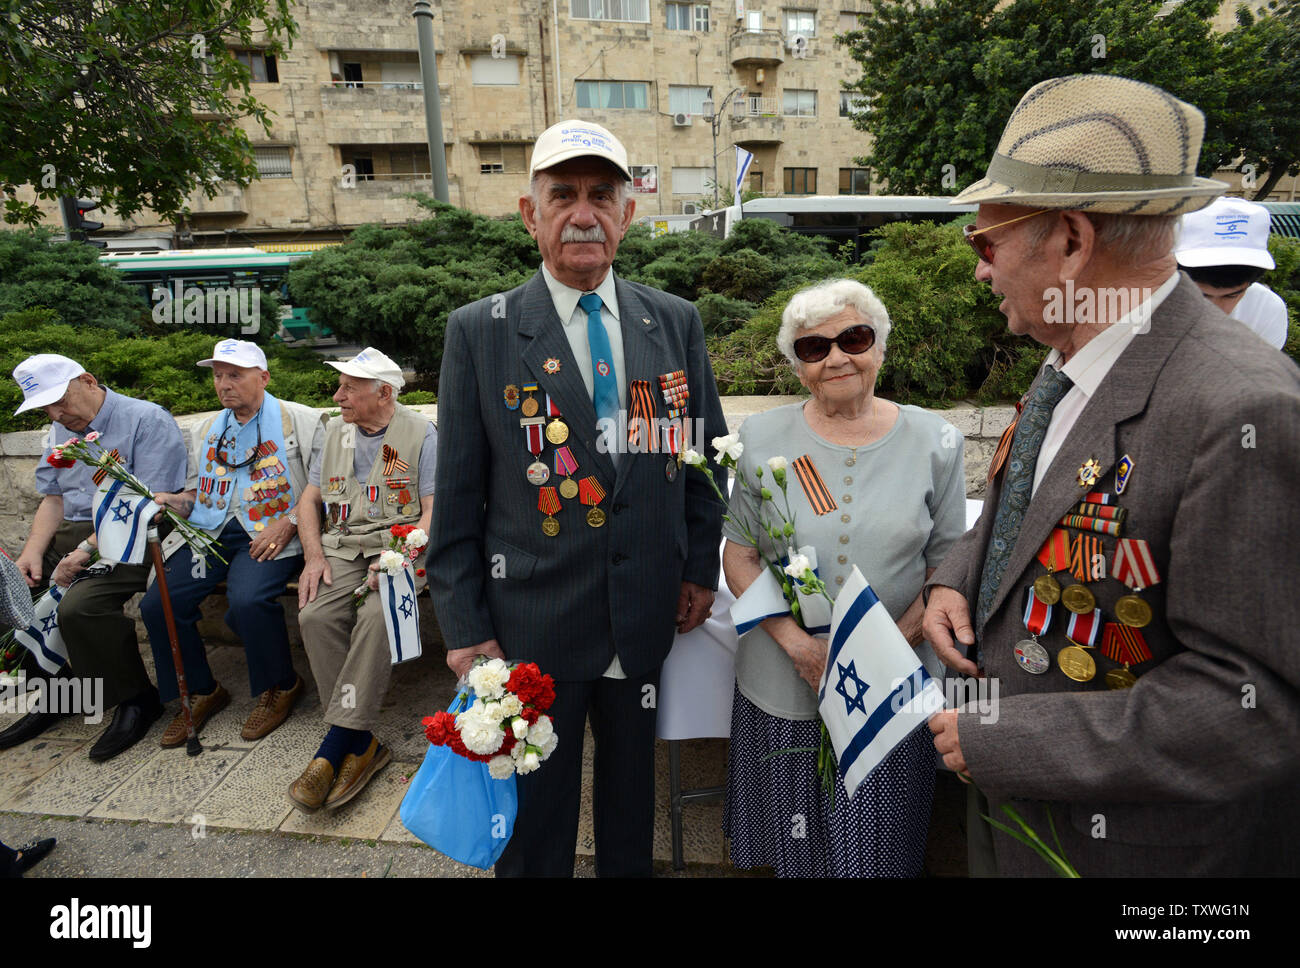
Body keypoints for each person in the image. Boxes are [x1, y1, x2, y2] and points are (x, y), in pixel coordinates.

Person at [922, 74, 1300, 876]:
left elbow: (1256, 706)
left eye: (985, 243)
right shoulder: (1074, 354)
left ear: (1069, 239)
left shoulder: (1242, 407)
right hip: (1019, 818)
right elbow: (1024, 508)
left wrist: (1003, 739)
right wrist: (955, 576)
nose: (981, 271)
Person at [429, 119, 728, 877]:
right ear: (531, 215)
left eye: (603, 194)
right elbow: (458, 497)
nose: (584, 212)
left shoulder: (675, 321)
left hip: (644, 613)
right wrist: (463, 628)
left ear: (628, 214)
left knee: (633, 801)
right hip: (530, 625)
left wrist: (696, 568)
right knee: (537, 814)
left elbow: (698, 463)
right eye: (562, 195)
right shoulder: (480, 332)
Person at [720, 279, 966, 877]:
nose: (835, 357)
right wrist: (801, 647)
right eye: (812, 347)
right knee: (794, 851)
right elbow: (741, 554)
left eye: (853, 338)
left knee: (879, 850)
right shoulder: (759, 438)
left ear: (879, 345)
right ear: (798, 364)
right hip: (783, 680)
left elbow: (950, 564)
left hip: (889, 684)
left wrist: (884, 647)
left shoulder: (937, 440)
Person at [0, 355, 187, 760]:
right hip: (76, 530)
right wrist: (32, 553)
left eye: (60, 401)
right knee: (12, 592)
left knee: (80, 607)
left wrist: (82, 552)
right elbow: (54, 497)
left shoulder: (146, 420)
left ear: (87, 381)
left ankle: (136, 699)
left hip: (134, 531)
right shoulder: (60, 427)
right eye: (46, 408)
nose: (55, 414)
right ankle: (63, 690)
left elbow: (145, 504)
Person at [142, 339, 325, 747]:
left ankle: (281, 685)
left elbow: (322, 490)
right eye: (218, 375)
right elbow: (196, 494)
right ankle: (202, 691)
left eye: (235, 375)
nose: (224, 384)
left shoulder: (303, 421)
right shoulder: (206, 429)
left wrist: (289, 523)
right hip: (213, 532)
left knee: (247, 600)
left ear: (263, 377)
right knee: (158, 603)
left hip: (271, 531)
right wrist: (173, 501)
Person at [289, 347, 435, 812]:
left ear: (385, 393)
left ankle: (336, 746)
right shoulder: (336, 431)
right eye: (341, 387)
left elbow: (436, 513)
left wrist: (400, 558)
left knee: (377, 616)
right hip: (342, 545)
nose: (338, 397)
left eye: (349, 388)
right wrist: (312, 556)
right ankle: (361, 741)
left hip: (401, 549)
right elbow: (308, 501)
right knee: (314, 614)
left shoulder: (422, 435)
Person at [1174, 195, 1289, 349]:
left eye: (1231, 296)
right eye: (1201, 295)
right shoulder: (1141, 303)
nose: (1214, 310)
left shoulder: (1266, 309)